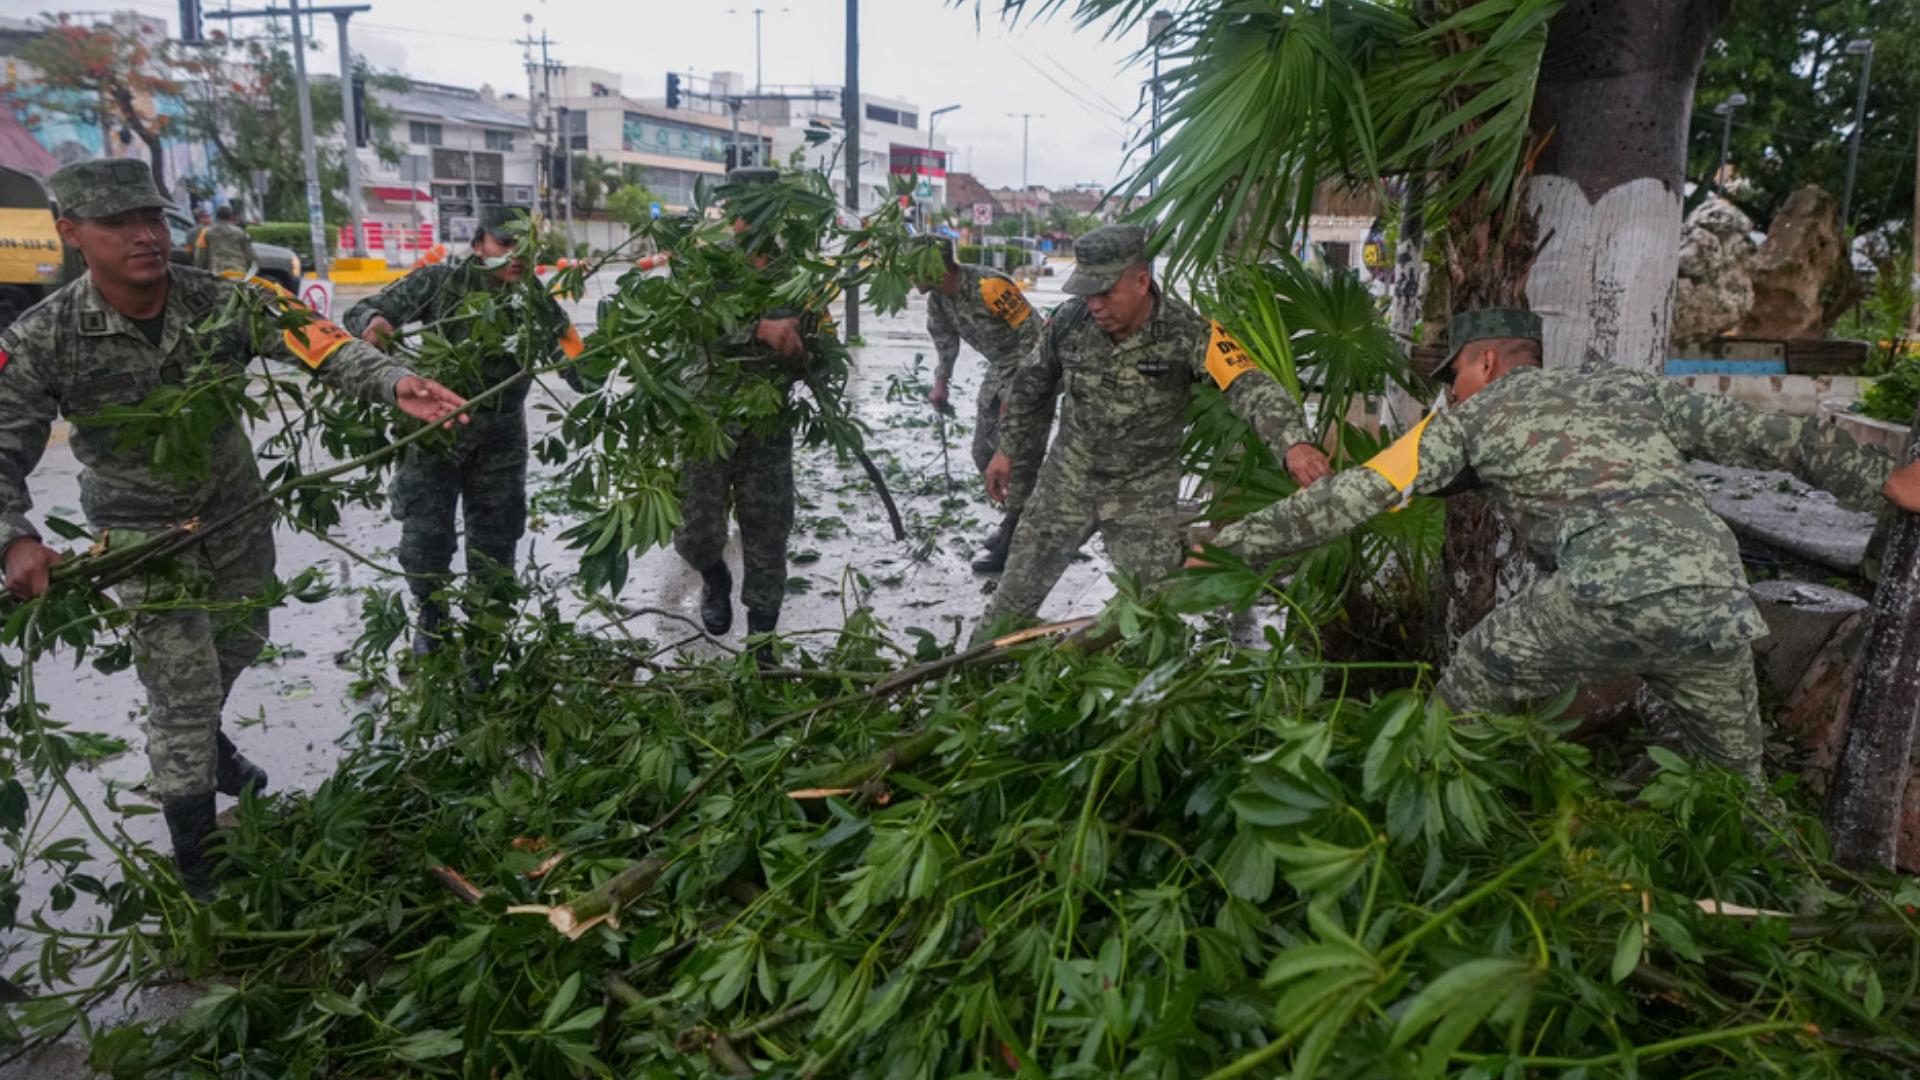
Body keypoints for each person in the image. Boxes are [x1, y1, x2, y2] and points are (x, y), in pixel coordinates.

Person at [1196, 306, 1920, 789]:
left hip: (1609, 590)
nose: (1448, 392)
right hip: (1714, 593)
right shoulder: (1625, 390)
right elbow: (1763, 435)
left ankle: (1419, 809)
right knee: (1737, 786)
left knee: (1474, 672)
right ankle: (1776, 903)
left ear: (1483, 361)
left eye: (1451, 376)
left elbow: (1353, 496)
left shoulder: (1469, 420)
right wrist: (1883, 478)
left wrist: (1233, 547)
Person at [0, 159, 469, 897]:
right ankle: (199, 865)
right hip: (141, 540)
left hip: (236, 512)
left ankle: (212, 745)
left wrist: (392, 381)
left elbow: (316, 341)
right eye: (118, 224)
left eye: (151, 218)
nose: (144, 236)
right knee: (181, 689)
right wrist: (12, 535)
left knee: (242, 637)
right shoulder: (43, 336)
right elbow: (4, 444)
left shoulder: (223, 301)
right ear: (70, 233)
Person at [977, 223, 1330, 628]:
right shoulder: (1069, 323)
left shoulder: (1189, 332)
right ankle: (972, 680)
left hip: (1140, 498)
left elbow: (1248, 383)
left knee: (1155, 621)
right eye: (1087, 292)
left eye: (1106, 292)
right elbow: (1029, 386)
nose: (1094, 304)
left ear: (1142, 281)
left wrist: (1293, 443)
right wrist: (1007, 450)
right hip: (1066, 485)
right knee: (1006, 612)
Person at [342, 204, 585, 655]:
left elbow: (576, 363)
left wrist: (614, 350)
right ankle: (431, 619)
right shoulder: (441, 281)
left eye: (525, 246)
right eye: (505, 244)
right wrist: (375, 326)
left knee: (495, 545)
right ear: (478, 246)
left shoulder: (535, 299)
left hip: (501, 439)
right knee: (424, 539)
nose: (516, 255)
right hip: (436, 433)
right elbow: (364, 311)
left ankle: (484, 634)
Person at [674, 167, 812, 643]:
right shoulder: (706, 263)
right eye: (737, 206)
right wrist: (758, 328)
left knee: (768, 534)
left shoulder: (796, 272)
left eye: (755, 206)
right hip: (707, 416)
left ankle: (762, 642)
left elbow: (819, 350)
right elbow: (691, 319)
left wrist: (801, 352)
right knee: (693, 530)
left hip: (768, 424)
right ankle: (715, 578)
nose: (743, 217)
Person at [914, 234, 1050, 572]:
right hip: (1000, 366)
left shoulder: (990, 287)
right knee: (984, 452)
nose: (908, 277)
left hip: (1035, 368)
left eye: (912, 269)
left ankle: (1017, 542)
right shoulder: (939, 299)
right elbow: (945, 340)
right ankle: (1017, 523)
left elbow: (1035, 338)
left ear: (933, 266)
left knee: (1018, 457)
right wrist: (941, 382)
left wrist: (1017, 396)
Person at [193, 205, 256, 276]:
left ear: (217, 216)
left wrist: (199, 271)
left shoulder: (206, 232)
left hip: (216, 273)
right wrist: (252, 272)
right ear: (231, 216)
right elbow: (250, 255)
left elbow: (200, 254)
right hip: (238, 272)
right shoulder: (241, 232)